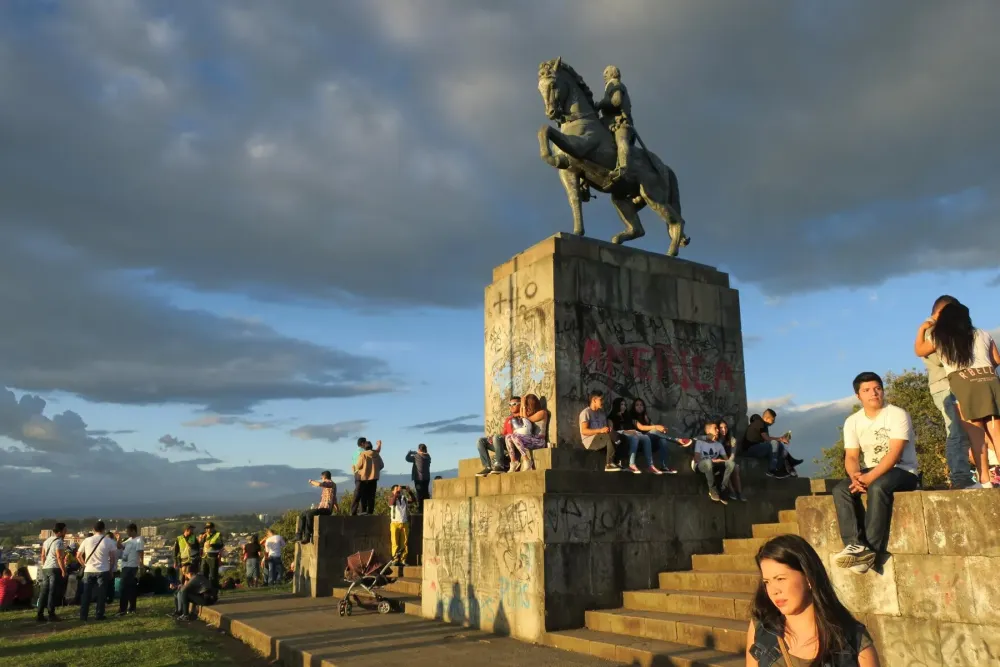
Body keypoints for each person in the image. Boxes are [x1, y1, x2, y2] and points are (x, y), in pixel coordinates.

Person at [832, 372, 920, 574]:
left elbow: (895, 454)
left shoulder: (897, 414)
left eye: (877, 388)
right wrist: (856, 476)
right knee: (841, 490)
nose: (873, 393)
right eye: (867, 390)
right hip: (872, 470)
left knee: (879, 487)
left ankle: (871, 550)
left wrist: (869, 479)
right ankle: (855, 546)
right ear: (858, 396)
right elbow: (852, 456)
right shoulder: (852, 421)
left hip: (903, 471)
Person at [747, 534, 879, 667]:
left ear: (808, 578)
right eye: (767, 582)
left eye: (780, 579)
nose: (774, 590)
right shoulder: (763, 627)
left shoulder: (853, 640)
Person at [915, 301, 1000, 488]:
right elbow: (996, 359)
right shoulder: (981, 333)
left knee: (975, 434)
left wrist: (923, 328)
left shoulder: (941, 336)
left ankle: (984, 480)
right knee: (996, 431)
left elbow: (919, 350)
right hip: (990, 380)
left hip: (963, 383)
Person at [913, 295, 976, 489]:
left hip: (956, 383)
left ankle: (967, 475)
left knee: (967, 429)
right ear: (942, 312)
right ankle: (960, 477)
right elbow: (943, 359)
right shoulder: (932, 331)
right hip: (944, 385)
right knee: (955, 429)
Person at [596, 65, 634, 182]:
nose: (604, 75)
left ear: (613, 73)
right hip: (608, 122)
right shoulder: (609, 86)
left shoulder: (615, 84)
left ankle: (623, 168)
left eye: (606, 72)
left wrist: (601, 104)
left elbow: (616, 101)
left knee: (621, 140)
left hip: (619, 121)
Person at [77, 520, 118, 621]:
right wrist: (111, 570)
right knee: (101, 594)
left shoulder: (87, 540)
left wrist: (85, 564)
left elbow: (78, 555)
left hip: (88, 570)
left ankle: (83, 615)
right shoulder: (109, 541)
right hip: (103, 570)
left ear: (93, 529)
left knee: (86, 593)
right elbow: (112, 558)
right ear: (104, 529)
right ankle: (99, 614)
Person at [610, 397, 663, 475]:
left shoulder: (627, 416)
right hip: (621, 436)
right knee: (635, 437)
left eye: (625, 404)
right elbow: (612, 431)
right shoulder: (611, 417)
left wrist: (634, 431)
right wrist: (626, 431)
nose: (624, 406)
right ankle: (632, 464)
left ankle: (650, 465)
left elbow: (635, 427)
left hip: (631, 434)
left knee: (646, 438)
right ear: (616, 405)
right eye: (621, 404)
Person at [741, 410, 799, 478]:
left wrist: (781, 439)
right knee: (774, 443)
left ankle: (784, 468)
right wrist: (780, 439)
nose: (773, 422)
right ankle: (772, 470)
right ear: (766, 418)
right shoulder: (760, 423)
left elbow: (767, 440)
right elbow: (767, 439)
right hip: (750, 450)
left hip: (756, 448)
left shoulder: (763, 425)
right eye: (772, 420)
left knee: (778, 445)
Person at [630, 398, 678, 474]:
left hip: (650, 444)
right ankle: (676, 440)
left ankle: (664, 466)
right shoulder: (632, 417)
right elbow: (641, 427)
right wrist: (656, 427)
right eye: (637, 405)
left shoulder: (646, 418)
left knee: (662, 439)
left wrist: (662, 430)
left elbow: (654, 428)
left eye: (641, 405)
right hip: (639, 443)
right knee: (654, 431)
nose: (639, 407)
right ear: (633, 407)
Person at [505, 394, 550, 471]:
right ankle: (513, 461)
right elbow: (524, 417)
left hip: (539, 441)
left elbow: (525, 418)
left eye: (527, 405)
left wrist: (522, 404)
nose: (526, 408)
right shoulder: (529, 414)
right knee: (508, 436)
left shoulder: (542, 413)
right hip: (531, 439)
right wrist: (522, 404)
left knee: (514, 436)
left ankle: (526, 460)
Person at [476, 397, 520, 476]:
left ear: (521, 405)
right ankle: (488, 467)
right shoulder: (508, 419)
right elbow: (503, 433)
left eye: (514, 404)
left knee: (497, 437)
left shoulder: (523, 417)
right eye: (509, 405)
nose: (511, 406)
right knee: (481, 441)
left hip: (515, 445)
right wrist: (492, 438)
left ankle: (500, 465)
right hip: (505, 445)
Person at [580, 390, 622, 472]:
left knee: (618, 437)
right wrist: (600, 430)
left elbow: (604, 429)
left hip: (601, 438)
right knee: (609, 437)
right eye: (601, 399)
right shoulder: (586, 412)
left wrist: (608, 429)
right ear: (594, 400)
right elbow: (584, 431)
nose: (603, 402)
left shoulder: (602, 413)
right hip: (590, 441)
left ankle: (619, 462)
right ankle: (609, 464)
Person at [694, 422, 735, 504]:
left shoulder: (719, 445)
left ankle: (723, 489)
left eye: (717, 429)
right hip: (700, 465)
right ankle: (712, 490)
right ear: (708, 431)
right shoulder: (700, 442)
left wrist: (720, 461)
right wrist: (711, 461)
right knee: (708, 462)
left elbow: (727, 461)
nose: (717, 430)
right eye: (715, 428)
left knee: (731, 464)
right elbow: (697, 459)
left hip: (713, 466)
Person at [295, 471, 339, 544]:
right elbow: (334, 498)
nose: (321, 478)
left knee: (309, 514)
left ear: (324, 477)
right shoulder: (329, 486)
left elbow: (319, 484)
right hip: (322, 508)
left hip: (326, 509)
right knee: (303, 514)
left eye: (321, 477)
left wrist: (311, 481)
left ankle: (307, 536)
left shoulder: (331, 483)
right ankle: (298, 535)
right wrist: (337, 508)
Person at [36, 522, 67, 622]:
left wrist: (45, 565)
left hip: (46, 568)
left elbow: (43, 556)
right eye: (65, 530)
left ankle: (39, 614)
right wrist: (63, 570)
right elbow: (59, 557)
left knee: (44, 592)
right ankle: (51, 614)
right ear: (61, 531)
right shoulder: (59, 542)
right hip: (54, 568)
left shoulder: (47, 541)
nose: (66, 532)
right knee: (52, 592)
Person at [717, 420, 747, 502]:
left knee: (735, 468)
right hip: (719, 462)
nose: (724, 429)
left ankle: (739, 492)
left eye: (725, 427)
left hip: (728, 460)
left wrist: (729, 462)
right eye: (721, 428)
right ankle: (732, 491)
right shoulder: (716, 440)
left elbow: (733, 454)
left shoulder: (732, 439)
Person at [118, 523, 144, 616]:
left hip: (131, 566)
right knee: (131, 588)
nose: (127, 533)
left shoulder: (139, 540)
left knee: (123, 587)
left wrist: (141, 564)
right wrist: (118, 539)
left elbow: (141, 552)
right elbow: (119, 546)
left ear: (133, 530)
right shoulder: (129, 540)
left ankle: (123, 609)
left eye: (128, 531)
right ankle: (131, 608)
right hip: (125, 566)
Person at [389, 485, 417, 565]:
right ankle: (395, 560)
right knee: (395, 543)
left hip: (404, 523)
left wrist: (409, 491)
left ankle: (403, 559)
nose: (399, 491)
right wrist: (396, 493)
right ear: (392, 491)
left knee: (404, 543)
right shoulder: (391, 498)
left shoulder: (403, 498)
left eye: (399, 490)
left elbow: (413, 500)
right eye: (396, 489)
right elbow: (391, 503)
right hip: (394, 523)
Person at [353, 440, 384, 515]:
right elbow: (382, 465)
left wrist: (355, 468)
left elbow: (359, 465)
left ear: (364, 447)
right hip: (374, 478)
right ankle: (370, 512)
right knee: (371, 496)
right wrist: (375, 470)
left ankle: (363, 511)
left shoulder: (363, 454)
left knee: (364, 495)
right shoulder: (376, 454)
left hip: (364, 478)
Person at [406, 444, 432, 512]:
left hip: (418, 478)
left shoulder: (416, 456)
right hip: (427, 478)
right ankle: (427, 508)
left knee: (419, 494)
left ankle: (420, 509)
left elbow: (407, 459)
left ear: (419, 449)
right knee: (426, 493)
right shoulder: (428, 456)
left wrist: (410, 453)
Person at [199, 522, 224, 590]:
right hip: (205, 556)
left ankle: (214, 589)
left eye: (208, 528)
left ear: (213, 528)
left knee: (213, 574)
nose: (207, 530)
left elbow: (221, 545)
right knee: (203, 574)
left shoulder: (218, 534)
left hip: (213, 556)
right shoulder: (205, 535)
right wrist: (202, 539)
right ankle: (205, 589)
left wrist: (212, 545)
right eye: (206, 529)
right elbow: (201, 545)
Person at [350, 437, 368, 515]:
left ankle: (356, 511)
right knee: (361, 492)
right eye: (366, 442)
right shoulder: (364, 452)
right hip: (362, 474)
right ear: (362, 443)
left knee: (359, 492)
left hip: (356, 474)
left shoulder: (354, 453)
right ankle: (358, 511)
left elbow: (352, 465)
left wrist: (354, 472)